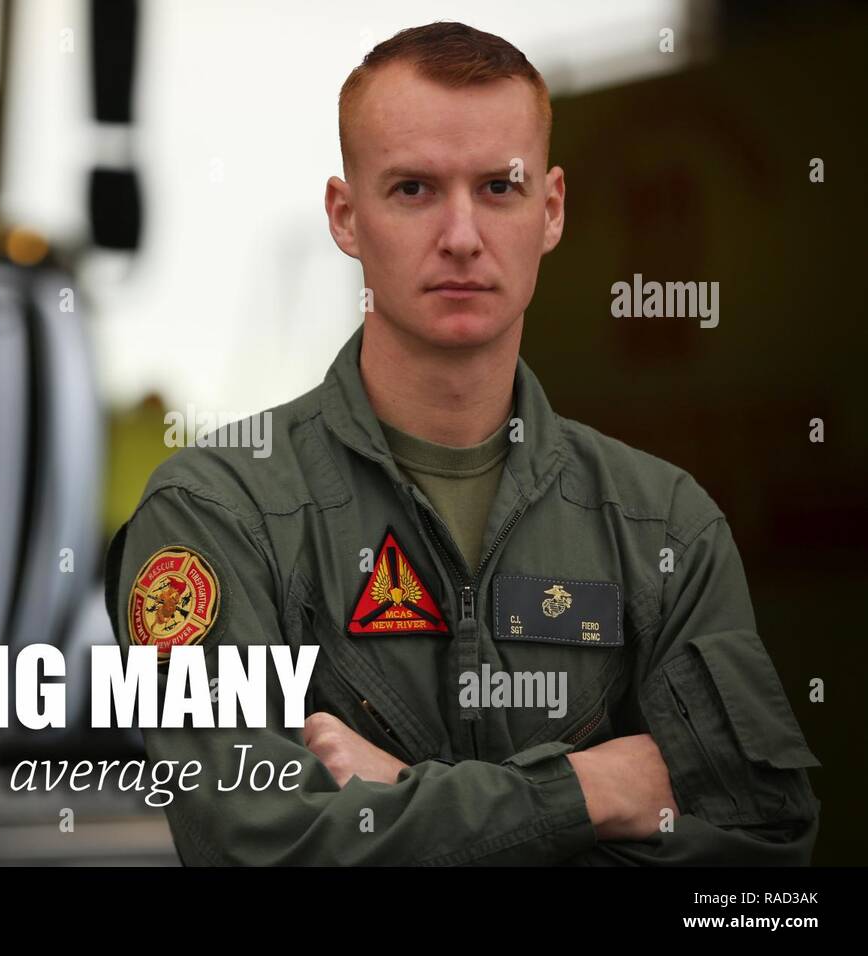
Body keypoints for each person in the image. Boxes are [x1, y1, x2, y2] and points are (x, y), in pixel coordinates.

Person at [104, 21, 819, 865]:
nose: (461, 236)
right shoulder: (214, 516)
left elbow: (763, 871)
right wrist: (591, 792)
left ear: (550, 210)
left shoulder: (666, 528)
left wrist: (397, 799)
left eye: (498, 188)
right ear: (345, 216)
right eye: (412, 189)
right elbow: (252, 846)